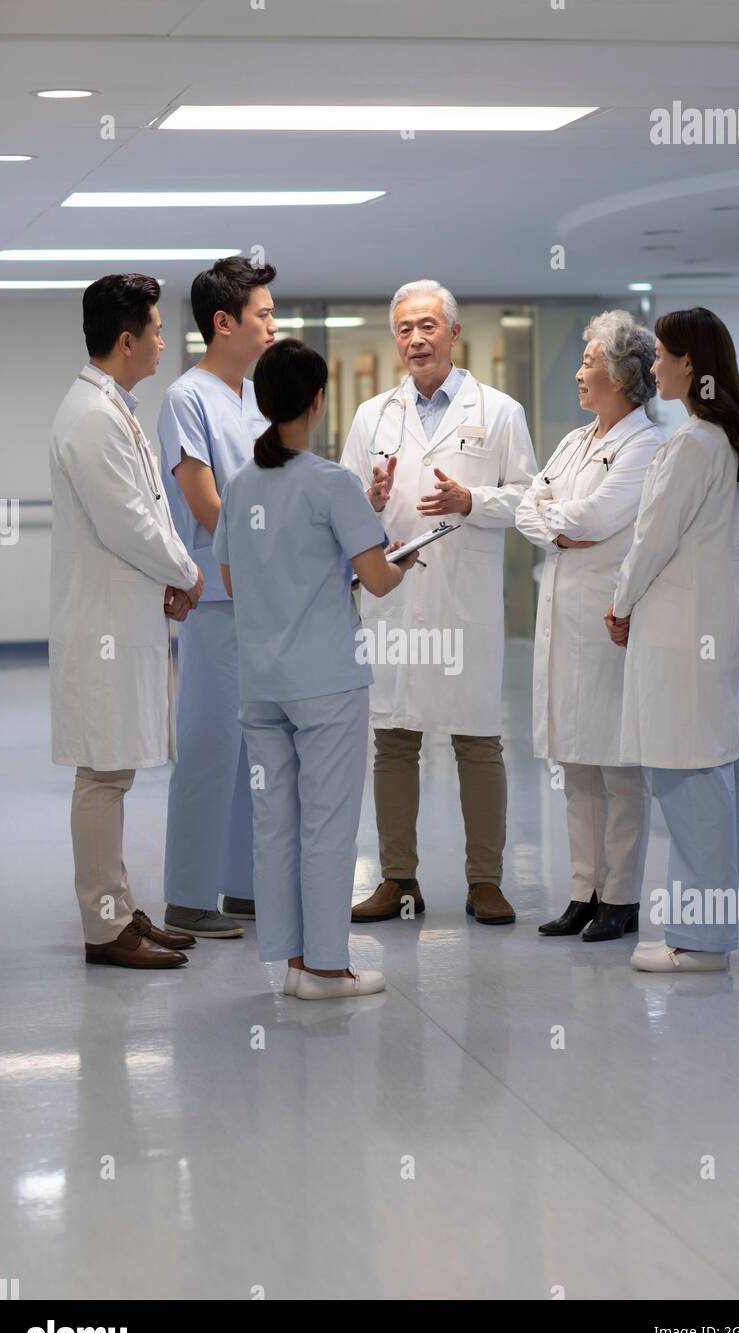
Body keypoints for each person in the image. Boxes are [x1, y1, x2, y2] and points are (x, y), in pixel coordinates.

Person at [212, 340, 418, 998]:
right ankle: (328, 968)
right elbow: (379, 580)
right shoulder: (332, 481)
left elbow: (232, 578)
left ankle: (293, 961)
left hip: (262, 685)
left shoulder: (241, 485)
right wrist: (408, 556)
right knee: (327, 825)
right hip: (326, 682)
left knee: (276, 823)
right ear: (318, 401)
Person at [341, 279, 536, 926]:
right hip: (397, 600)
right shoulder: (373, 416)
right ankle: (399, 879)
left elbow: (530, 501)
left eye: (428, 326)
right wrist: (368, 500)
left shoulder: (499, 412)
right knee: (393, 739)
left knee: (478, 740)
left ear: (454, 333)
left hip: (464, 601)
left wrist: (472, 502)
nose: (416, 338)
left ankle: (486, 881)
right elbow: (344, 510)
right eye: (404, 329)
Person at [49, 274, 204, 968]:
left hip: (124, 616)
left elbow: (145, 518)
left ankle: (118, 908)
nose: (163, 342)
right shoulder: (90, 416)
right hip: (103, 627)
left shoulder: (109, 407)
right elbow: (131, 524)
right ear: (125, 340)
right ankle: (104, 926)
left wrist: (173, 575)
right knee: (103, 775)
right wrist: (188, 572)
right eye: (157, 330)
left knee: (113, 773)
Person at [606, 307, 739, 973]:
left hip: (677, 643)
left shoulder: (692, 444)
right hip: (706, 640)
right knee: (713, 791)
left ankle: (698, 943)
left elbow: (650, 541)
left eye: (664, 354)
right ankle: (710, 935)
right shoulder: (723, 442)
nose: (654, 366)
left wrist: (618, 604)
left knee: (691, 792)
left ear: (689, 366)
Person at [516, 311, 663, 942]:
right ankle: (585, 892)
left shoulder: (647, 445)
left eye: (588, 363)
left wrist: (562, 522)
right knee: (576, 765)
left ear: (623, 376)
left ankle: (623, 897)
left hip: (609, 625)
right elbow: (528, 509)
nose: (578, 373)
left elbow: (599, 517)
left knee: (617, 767)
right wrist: (559, 524)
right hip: (564, 623)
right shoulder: (575, 441)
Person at [158, 256, 277, 938]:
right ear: (224, 322)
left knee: (250, 753)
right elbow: (205, 503)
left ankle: (242, 886)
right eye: (262, 314)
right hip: (219, 597)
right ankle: (188, 895)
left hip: (260, 597)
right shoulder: (188, 398)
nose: (272, 324)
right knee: (207, 745)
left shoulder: (255, 400)